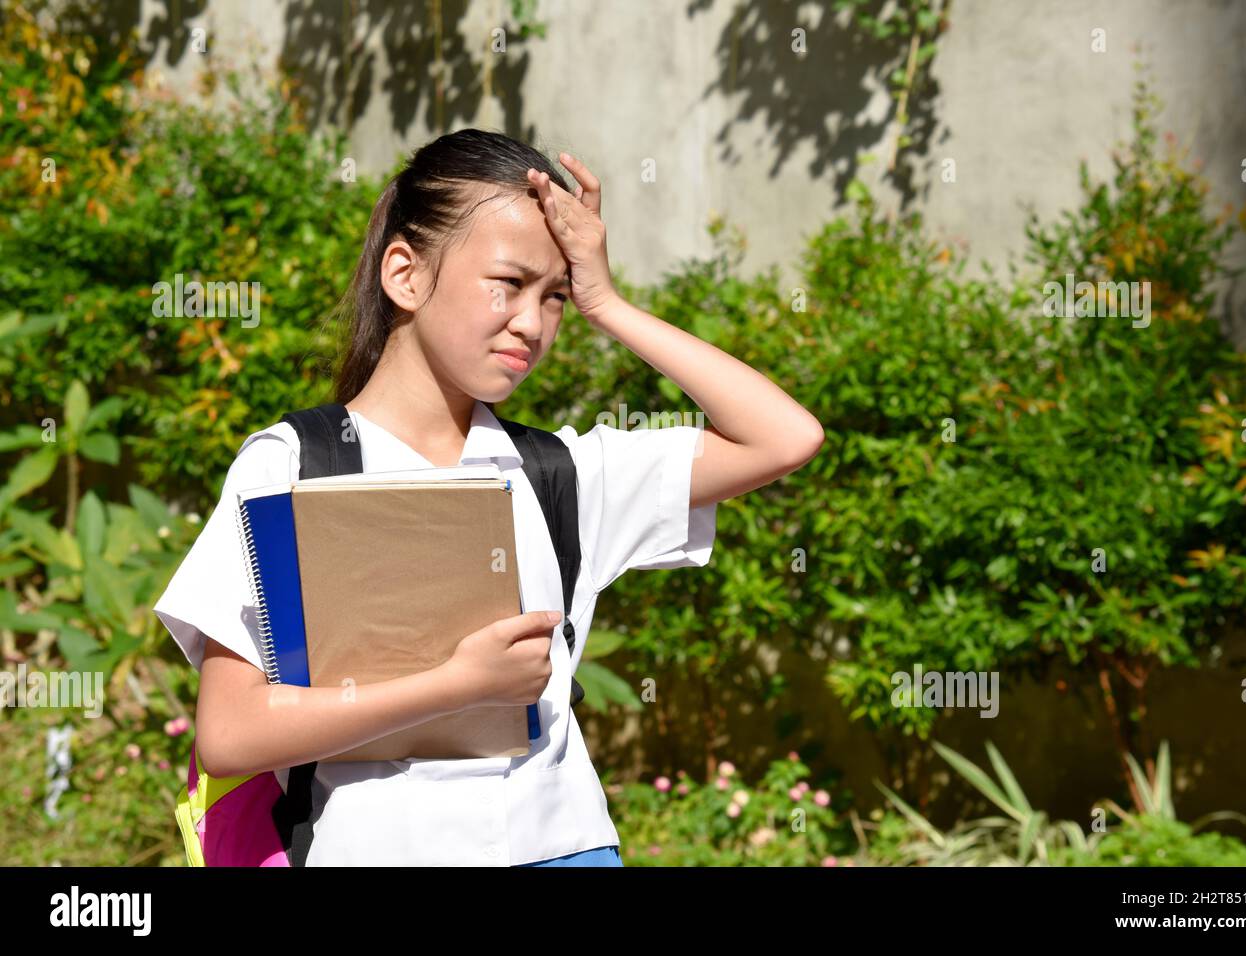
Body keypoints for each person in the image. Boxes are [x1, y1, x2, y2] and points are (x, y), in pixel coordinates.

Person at [152, 128, 824, 866]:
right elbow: (230, 734)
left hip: (564, 850)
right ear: (404, 274)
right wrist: (453, 687)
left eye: (556, 297)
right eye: (507, 283)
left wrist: (608, 304)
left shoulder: (561, 472)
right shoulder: (291, 466)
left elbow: (784, 438)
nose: (533, 323)